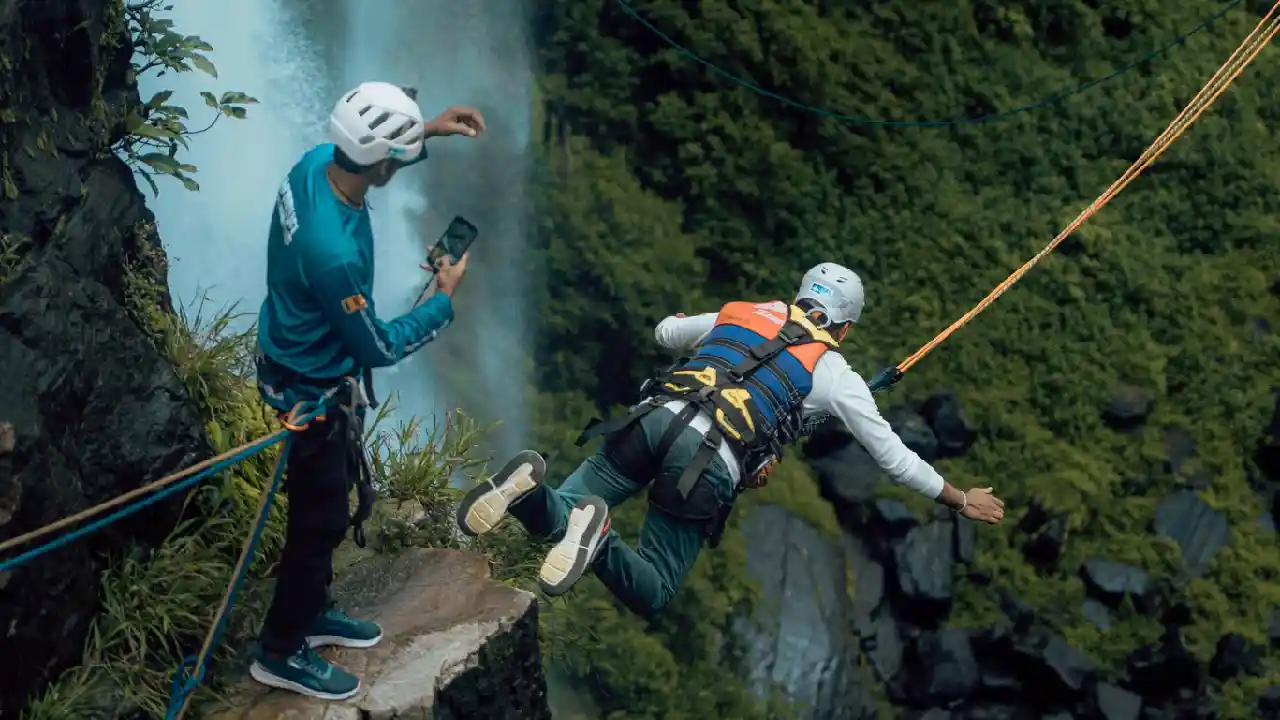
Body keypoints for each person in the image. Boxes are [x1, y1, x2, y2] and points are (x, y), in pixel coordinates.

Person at [456, 262, 1006, 617]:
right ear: (845, 327)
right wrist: (958, 498)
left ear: (799, 296)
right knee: (653, 590)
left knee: (565, 510)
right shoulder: (836, 374)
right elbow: (892, 456)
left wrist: (700, 326)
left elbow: (666, 334)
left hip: (649, 420)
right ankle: (599, 538)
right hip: (702, 465)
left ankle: (528, 492)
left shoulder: (741, 312)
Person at [250, 81, 485, 700]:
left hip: (286, 349)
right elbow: (376, 347)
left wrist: (426, 127)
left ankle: (313, 608)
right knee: (318, 520)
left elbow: (370, 153)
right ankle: (280, 650)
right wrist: (442, 301)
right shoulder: (334, 255)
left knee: (325, 514)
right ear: (383, 165)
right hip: (311, 392)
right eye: (399, 155)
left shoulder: (312, 165)